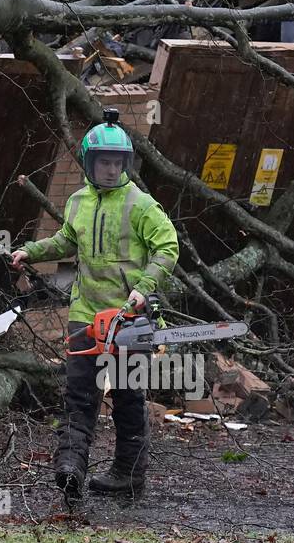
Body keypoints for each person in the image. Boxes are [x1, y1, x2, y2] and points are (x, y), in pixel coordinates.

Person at [10, 108, 179, 502]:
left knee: (127, 398)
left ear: (125, 163)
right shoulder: (78, 201)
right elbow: (68, 241)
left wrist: (144, 286)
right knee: (79, 395)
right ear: (90, 162)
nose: (109, 169)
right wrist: (31, 251)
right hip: (86, 316)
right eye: (103, 161)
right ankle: (70, 467)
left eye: (116, 162)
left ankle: (128, 474)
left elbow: (168, 246)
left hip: (129, 318)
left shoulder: (141, 204)